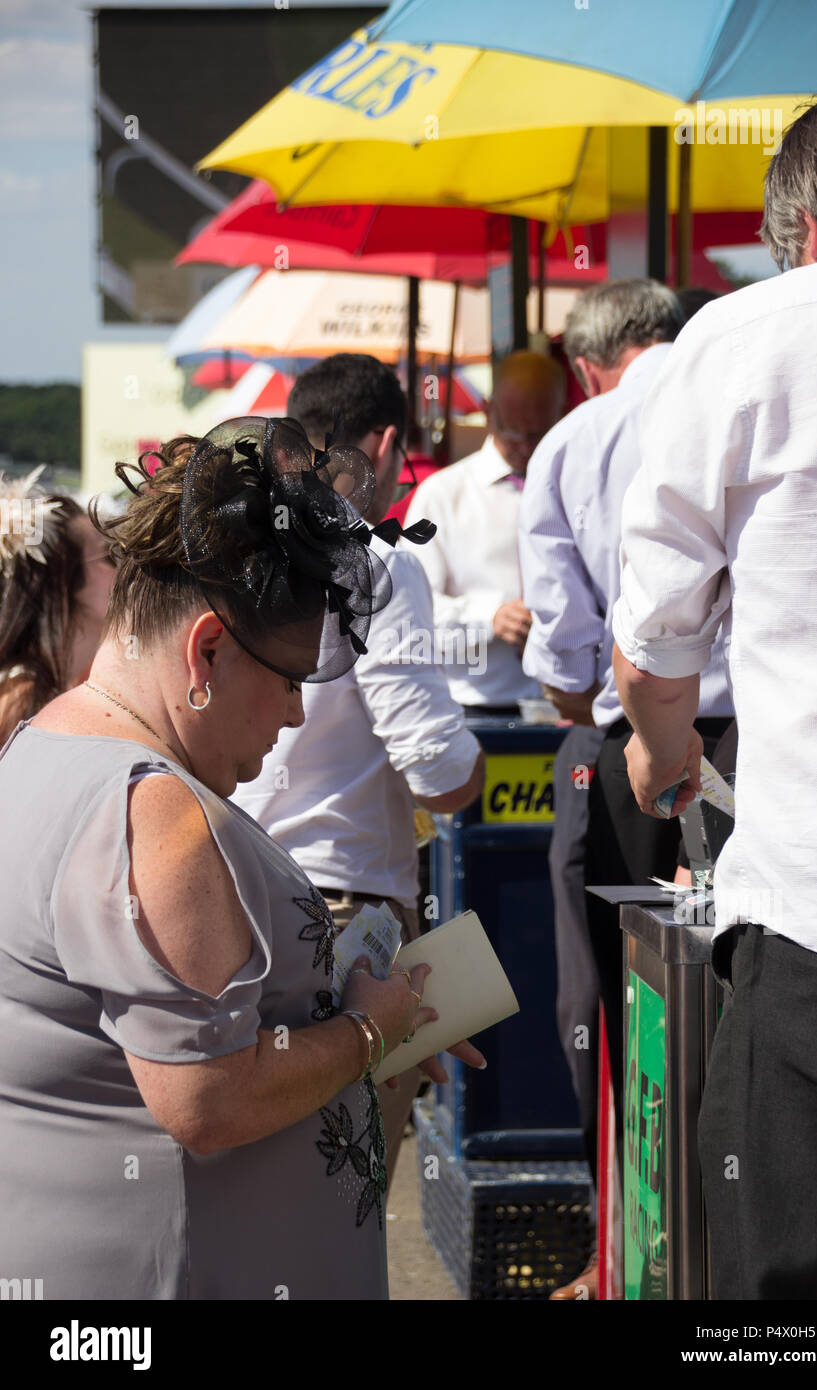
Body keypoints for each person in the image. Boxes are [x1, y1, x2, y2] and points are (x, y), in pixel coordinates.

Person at [0, 418, 484, 1300]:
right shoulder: (157, 814)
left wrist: (373, 1025)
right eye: (292, 677)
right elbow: (209, 1100)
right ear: (208, 650)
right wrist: (371, 1029)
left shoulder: (43, 744)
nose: (297, 713)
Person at [612, 83, 817, 1300]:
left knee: (786, 1291)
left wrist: (660, 756)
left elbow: (650, 644)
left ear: (807, 226)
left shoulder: (751, 335)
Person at [518, 279, 733, 1299]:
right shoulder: (740, 391)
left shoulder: (573, 441)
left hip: (625, 749)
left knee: (611, 1000)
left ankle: (626, 1257)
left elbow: (563, 666)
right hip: (760, 745)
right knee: (756, 998)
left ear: (589, 364)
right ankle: (731, 1250)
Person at [233, 356, 484, 1189]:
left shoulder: (245, 536)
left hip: (232, 888)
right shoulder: (375, 557)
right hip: (346, 914)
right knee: (345, 1196)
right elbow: (436, 769)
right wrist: (473, 770)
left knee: (267, 1185)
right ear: (382, 445)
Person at [404, 351, 567, 715]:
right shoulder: (443, 495)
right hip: (475, 705)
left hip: (568, 706)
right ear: (487, 410)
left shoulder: (576, 488)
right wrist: (488, 618)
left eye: (538, 434)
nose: (525, 447)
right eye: (513, 433)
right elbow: (410, 609)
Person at [0, 467, 115, 741]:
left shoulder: (40, 688)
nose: (124, 567)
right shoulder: (21, 701)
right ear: (64, 582)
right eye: (109, 555)